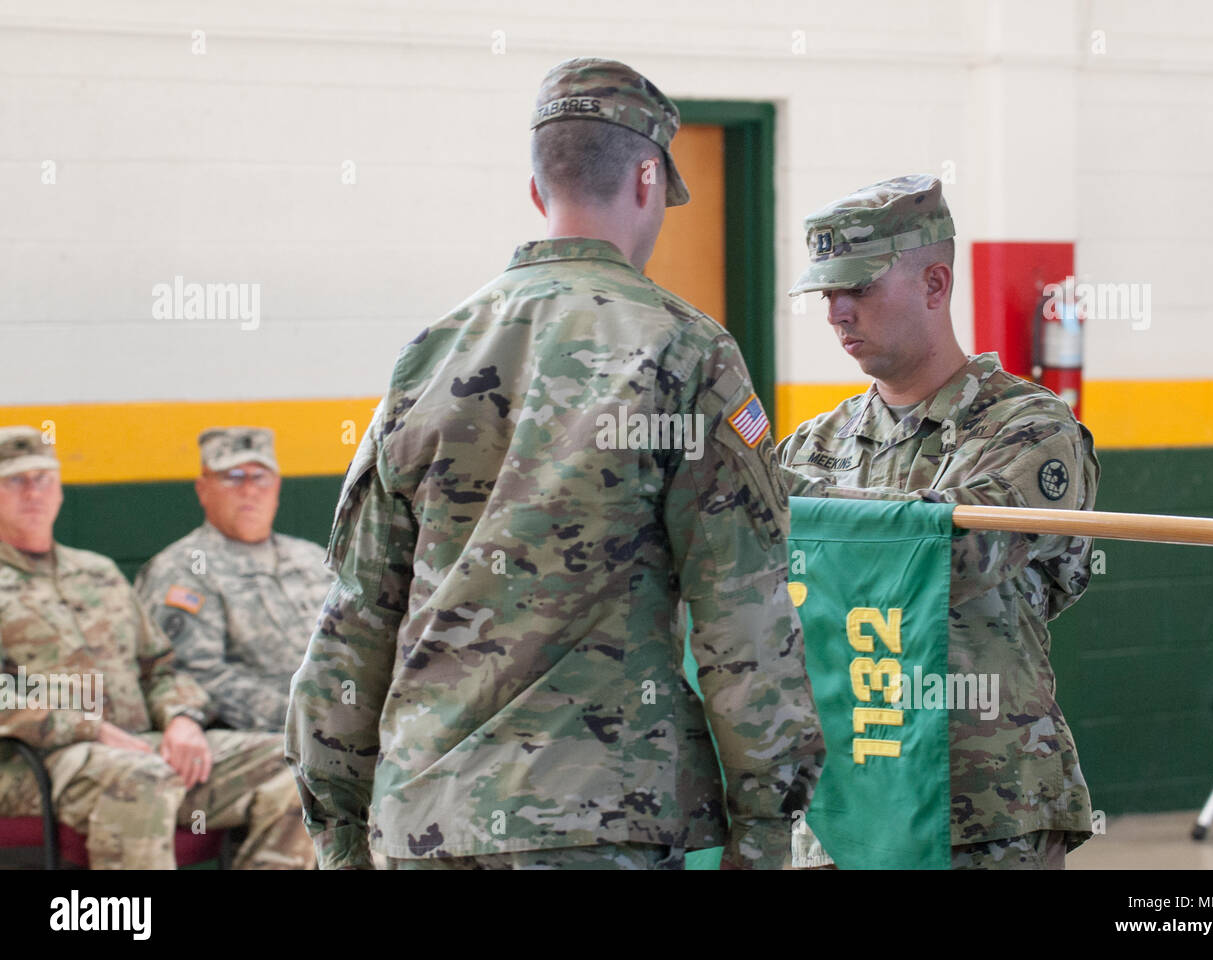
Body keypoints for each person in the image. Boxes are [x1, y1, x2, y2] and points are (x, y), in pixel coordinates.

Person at [285, 57, 825, 871]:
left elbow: (356, 617)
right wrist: (764, 829)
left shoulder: (429, 355)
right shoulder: (686, 351)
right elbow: (742, 620)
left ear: (539, 191)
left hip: (428, 819)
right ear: (647, 177)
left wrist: (338, 831)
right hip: (603, 824)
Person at [778, 175, 1099, 869]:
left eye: (858, 288)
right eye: (825, 294)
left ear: (934, 283)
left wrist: (784, 501)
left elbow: (948, 555)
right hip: (846, 806)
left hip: (981, 809)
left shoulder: (1029, 428)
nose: (836, 312)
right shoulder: (812, 445)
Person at [0, 425, 315, 869]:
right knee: (142, 777)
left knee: (298, 763)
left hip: (139, 745)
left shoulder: (99, 572)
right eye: (15, 480)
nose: (32, 492)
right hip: (35, 762)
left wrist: (182, 719)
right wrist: (88, 728)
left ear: (59, 492)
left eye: (43, 478)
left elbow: (161, 668)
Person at [135, 427, 331, 731]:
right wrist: (310, 718)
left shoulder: (313, 559)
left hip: (337, 727)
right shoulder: (185, 568)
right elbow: (195, 677)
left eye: (260, 477)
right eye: (234, 477)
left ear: (277, 486)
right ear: (203, 489)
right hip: (253, 738)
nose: (250, 490)